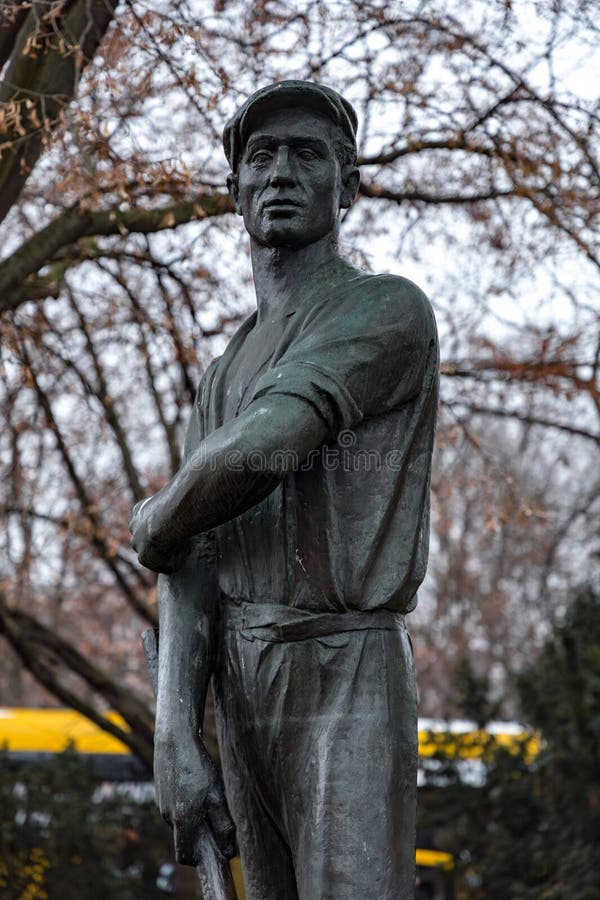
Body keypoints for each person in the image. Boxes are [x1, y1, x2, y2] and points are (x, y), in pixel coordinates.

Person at [130, 80, 439, 900]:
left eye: (308, 153)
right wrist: (175, 733)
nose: (280, 172)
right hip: (241, 680)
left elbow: (264, 449)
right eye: (259, 156)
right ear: (234, 193)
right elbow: (188, 556)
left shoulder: (384, 310)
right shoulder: (225, 369)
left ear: (351, 183)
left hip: (345, 667)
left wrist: (157, 517)